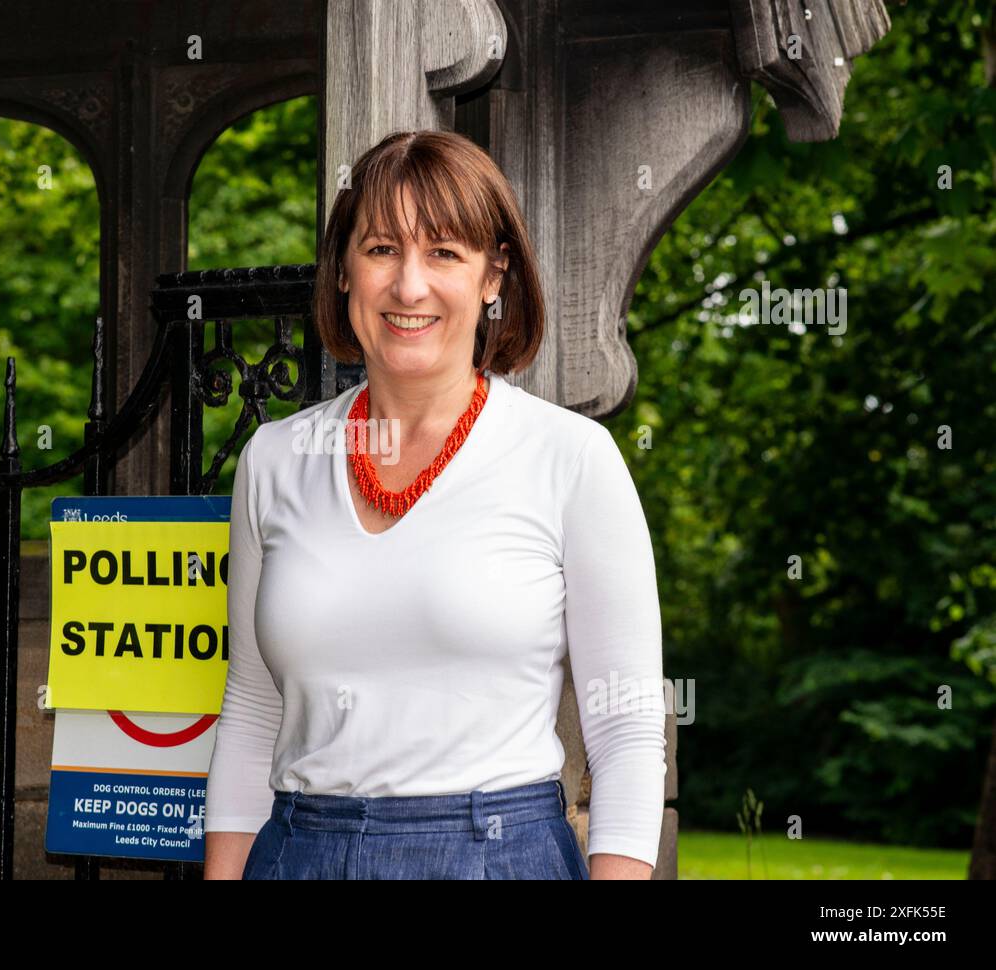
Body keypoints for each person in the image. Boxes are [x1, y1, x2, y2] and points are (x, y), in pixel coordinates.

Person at [202, 129, 666, 879]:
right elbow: (254, 710)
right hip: (298, 855)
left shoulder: (571, 458)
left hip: (498, 855)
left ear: (494, 276)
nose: (409, 285)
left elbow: (628, 730)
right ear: (344, 271)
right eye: (382, 248)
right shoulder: (274, 460)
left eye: (444, 252)